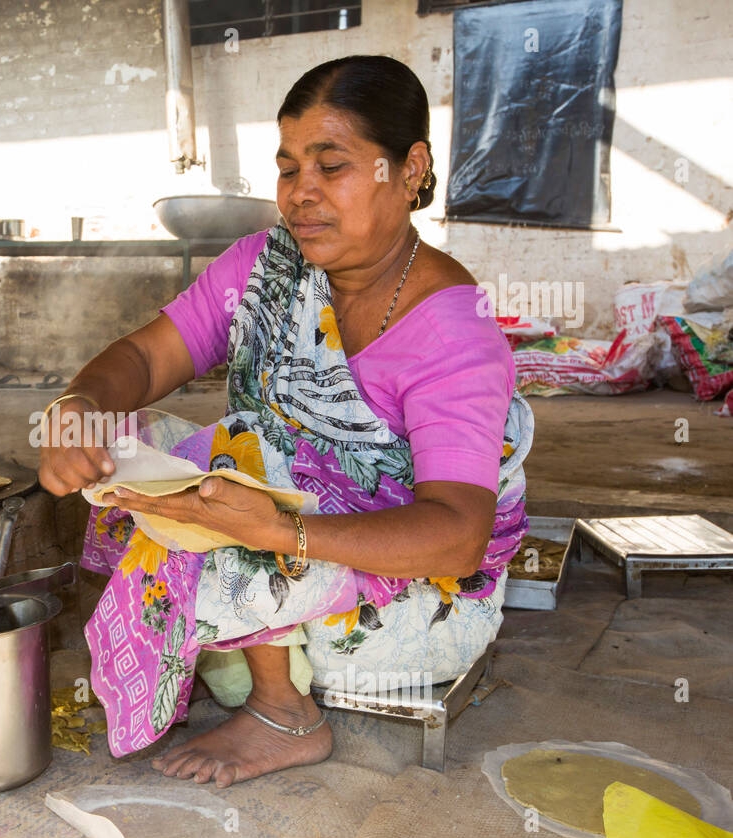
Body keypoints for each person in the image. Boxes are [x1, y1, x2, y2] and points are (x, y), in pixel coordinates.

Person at [37, 55, 532, 789]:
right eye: (288, 168)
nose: (301, 195)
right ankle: (241, 657)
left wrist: (277, 531)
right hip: (292, 549)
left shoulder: (453, 329)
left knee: (250, 469)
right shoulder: (265, 271)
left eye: (331, 167)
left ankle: (281, 709)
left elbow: (457, 535)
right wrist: (77, 409)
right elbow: (146, 357)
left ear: (409, 168)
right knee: (140, 442)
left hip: (413, 607)